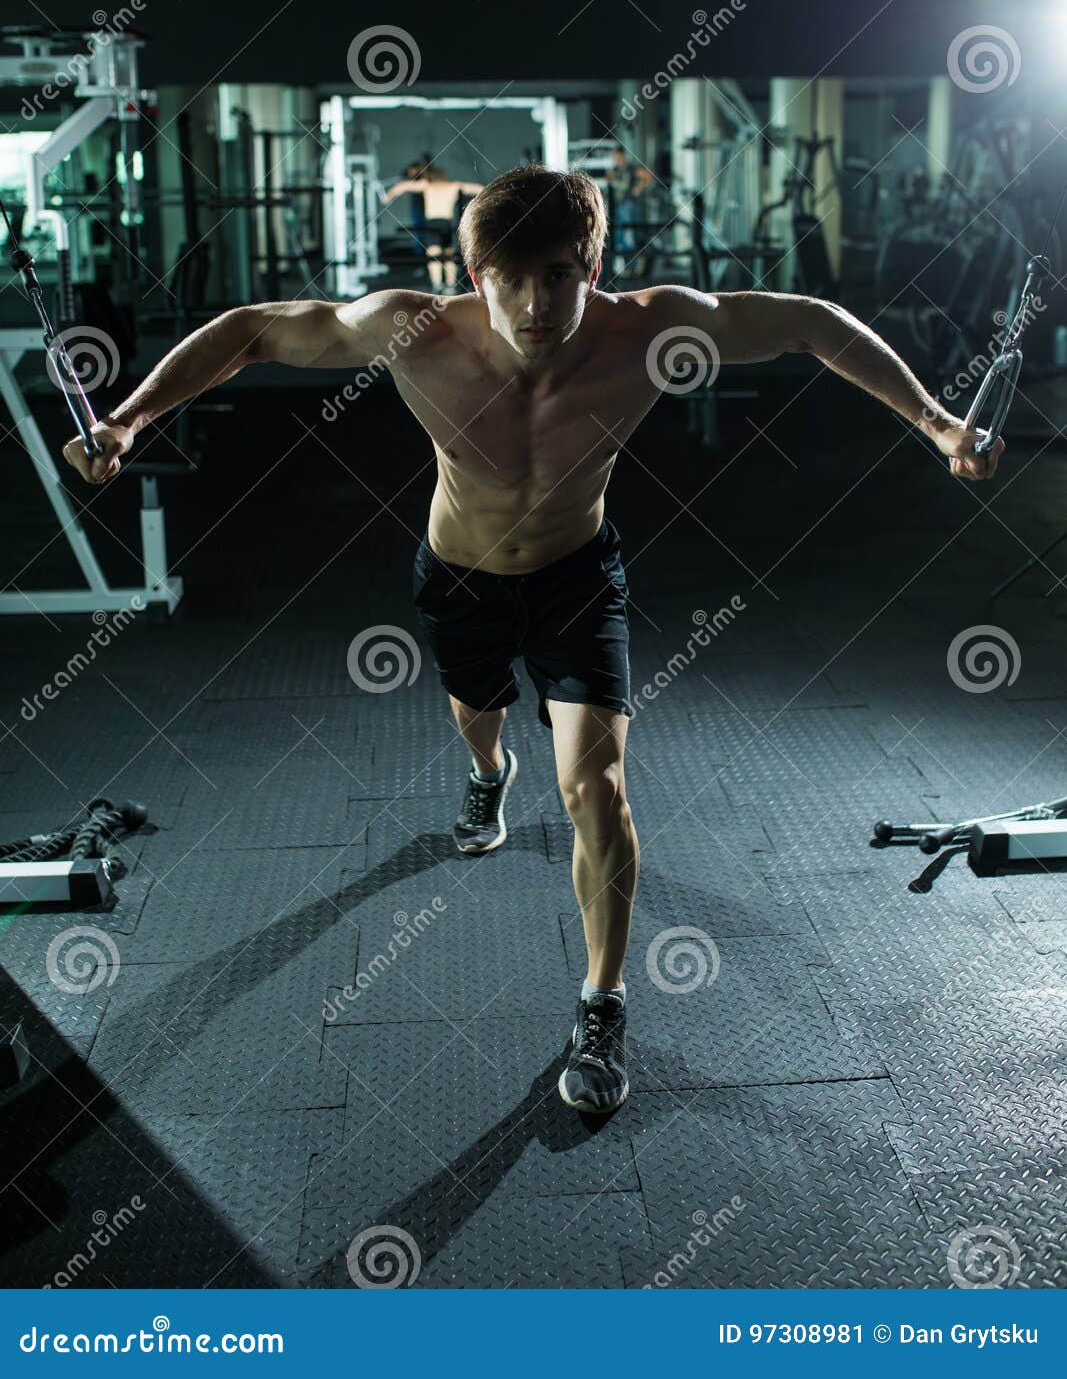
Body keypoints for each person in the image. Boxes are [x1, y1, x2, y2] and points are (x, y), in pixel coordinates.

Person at [62, 164, 1004, 1115]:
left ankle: (602, 1004)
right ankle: (485, 774)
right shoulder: (413, 332)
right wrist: (132, 418)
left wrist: (934, 423)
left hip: (577, 580)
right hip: (459, 575)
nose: (532, 301)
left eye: (556, 274)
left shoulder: (649, 329)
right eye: (506, 277)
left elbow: (811, 320)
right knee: (479, 717)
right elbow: (255, 330)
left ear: (591, 267)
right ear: (472, 276)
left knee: (594, 785)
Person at [382, 159, 484, 295]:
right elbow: (479, 188)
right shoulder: (454, 186)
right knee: (448, 256)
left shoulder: (427, 185)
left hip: (433, 225)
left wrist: (387, 197)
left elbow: (401, 186)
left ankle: (438, 285)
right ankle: (450, 284)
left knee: (434, 255)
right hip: (447, 225)